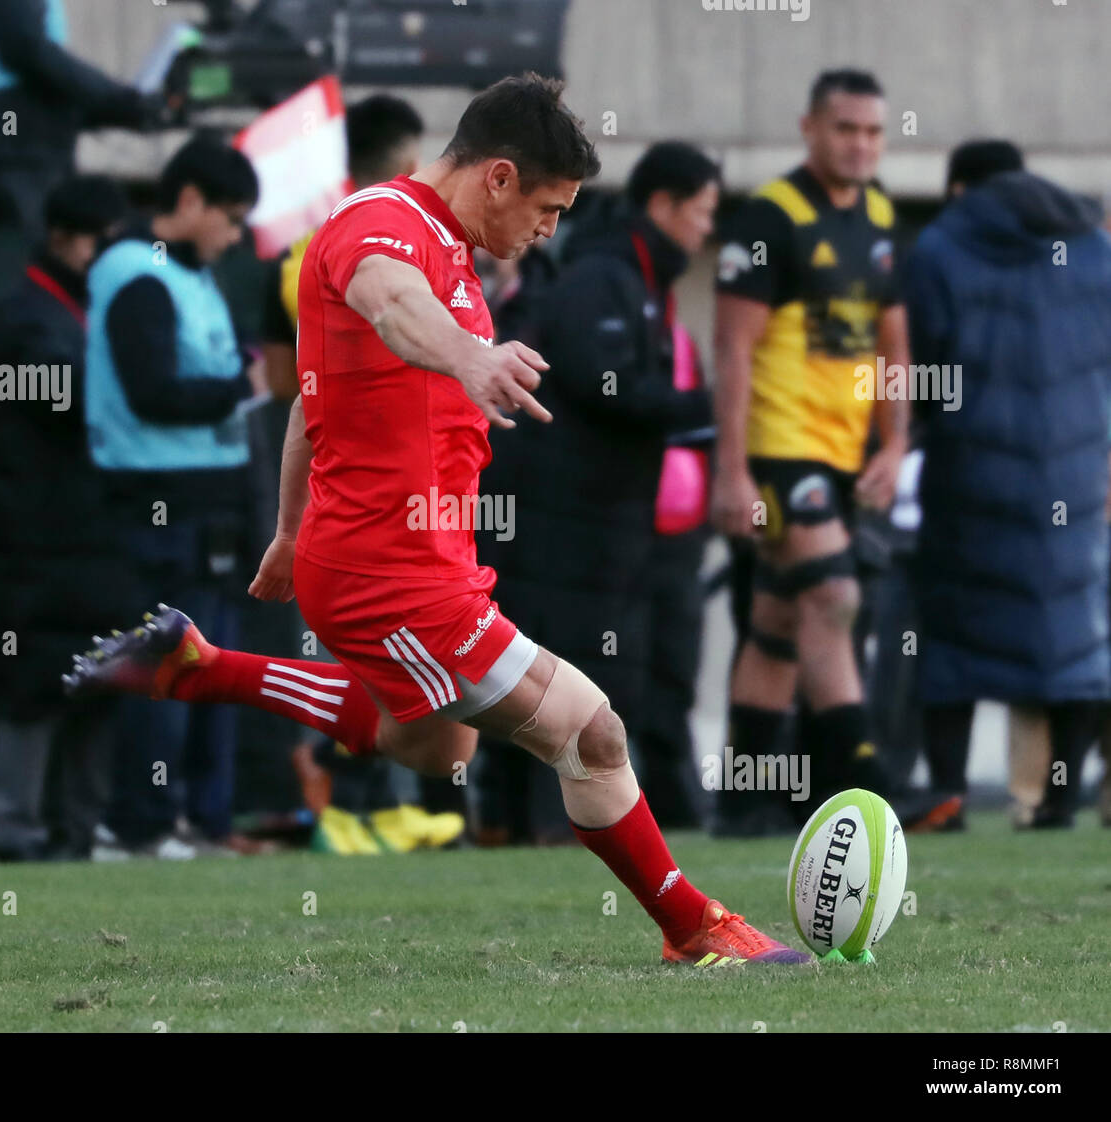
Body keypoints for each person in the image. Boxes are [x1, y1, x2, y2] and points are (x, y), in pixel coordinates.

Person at [67, 74, 810, 966]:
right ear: (498, 176)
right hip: (394, 577)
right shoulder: (382, 226)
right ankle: (693, 926)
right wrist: (471, 357)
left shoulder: (450, 247)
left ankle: (201, 668)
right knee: (592, 730)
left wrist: (290, 533)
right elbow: (387, 297)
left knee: (433, 743)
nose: (549, 229)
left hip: (410, 559)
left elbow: (312, 402)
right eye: (546, 207)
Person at [710, 68, 961, 836]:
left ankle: (745, 799)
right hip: (780, 449)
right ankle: (866, 781)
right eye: (846, 129)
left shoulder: (880, 215)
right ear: (810, 128)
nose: (861, 145)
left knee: (779, 622)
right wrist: (733, 471)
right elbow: (732, 348)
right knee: (834, 598)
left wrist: (893, 442)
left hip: (844, 455)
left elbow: (893, 340)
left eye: (874, 132)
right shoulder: (770, 216)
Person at [475, 141, 718, 841]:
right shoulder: (602, 278)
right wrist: (709, 407)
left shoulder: (637, 277)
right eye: (701, 213)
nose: (707, 230)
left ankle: (553, 831)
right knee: (557, 686)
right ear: (664, 206)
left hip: (602, 530)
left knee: (604, 685)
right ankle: (535, 832)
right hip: (565, 533)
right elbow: (601, 384)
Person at [257, 93, 463, 855]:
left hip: (385, 476)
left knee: (404, 660)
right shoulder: (345, 245)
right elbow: (307, 373)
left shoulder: (317, 246)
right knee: (349, 645)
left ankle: (384, 804)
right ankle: (339, 806)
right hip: (343, 474)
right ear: (411, 166)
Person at [903, 139, 1111, 829]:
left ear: (961, 187)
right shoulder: (1090, 244)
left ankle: (950, 797)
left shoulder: (938, 247)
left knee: (952, 639)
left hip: (971, 467)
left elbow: (922, 361)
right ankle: (1058, 802)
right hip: (1075, 472)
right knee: (1072, 641)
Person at [83, 136, 262, 858]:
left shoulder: (194, 276)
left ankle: (199, 820)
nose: (237, 233)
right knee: (167, 665)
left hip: (211, 504)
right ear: (188, 201)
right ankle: (139, 825)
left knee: (213, 664)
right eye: (231, 215)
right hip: (159, 505)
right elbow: (153, 391)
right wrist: (239, 388)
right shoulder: (137, 274)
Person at [0, 175, 130, 860]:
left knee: (105, 679)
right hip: (43, 536)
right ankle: (18, 833)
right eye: (103, 243)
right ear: (66, 239)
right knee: (37, 682)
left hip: (101, 535)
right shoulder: (21, 318)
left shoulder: (85, 311)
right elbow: (66, 397)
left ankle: (80, 829)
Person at [0, 0, 158, 240]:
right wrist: (127, 103)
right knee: (24, 262)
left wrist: (126, 108)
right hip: (13, 147)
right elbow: (23, 46)